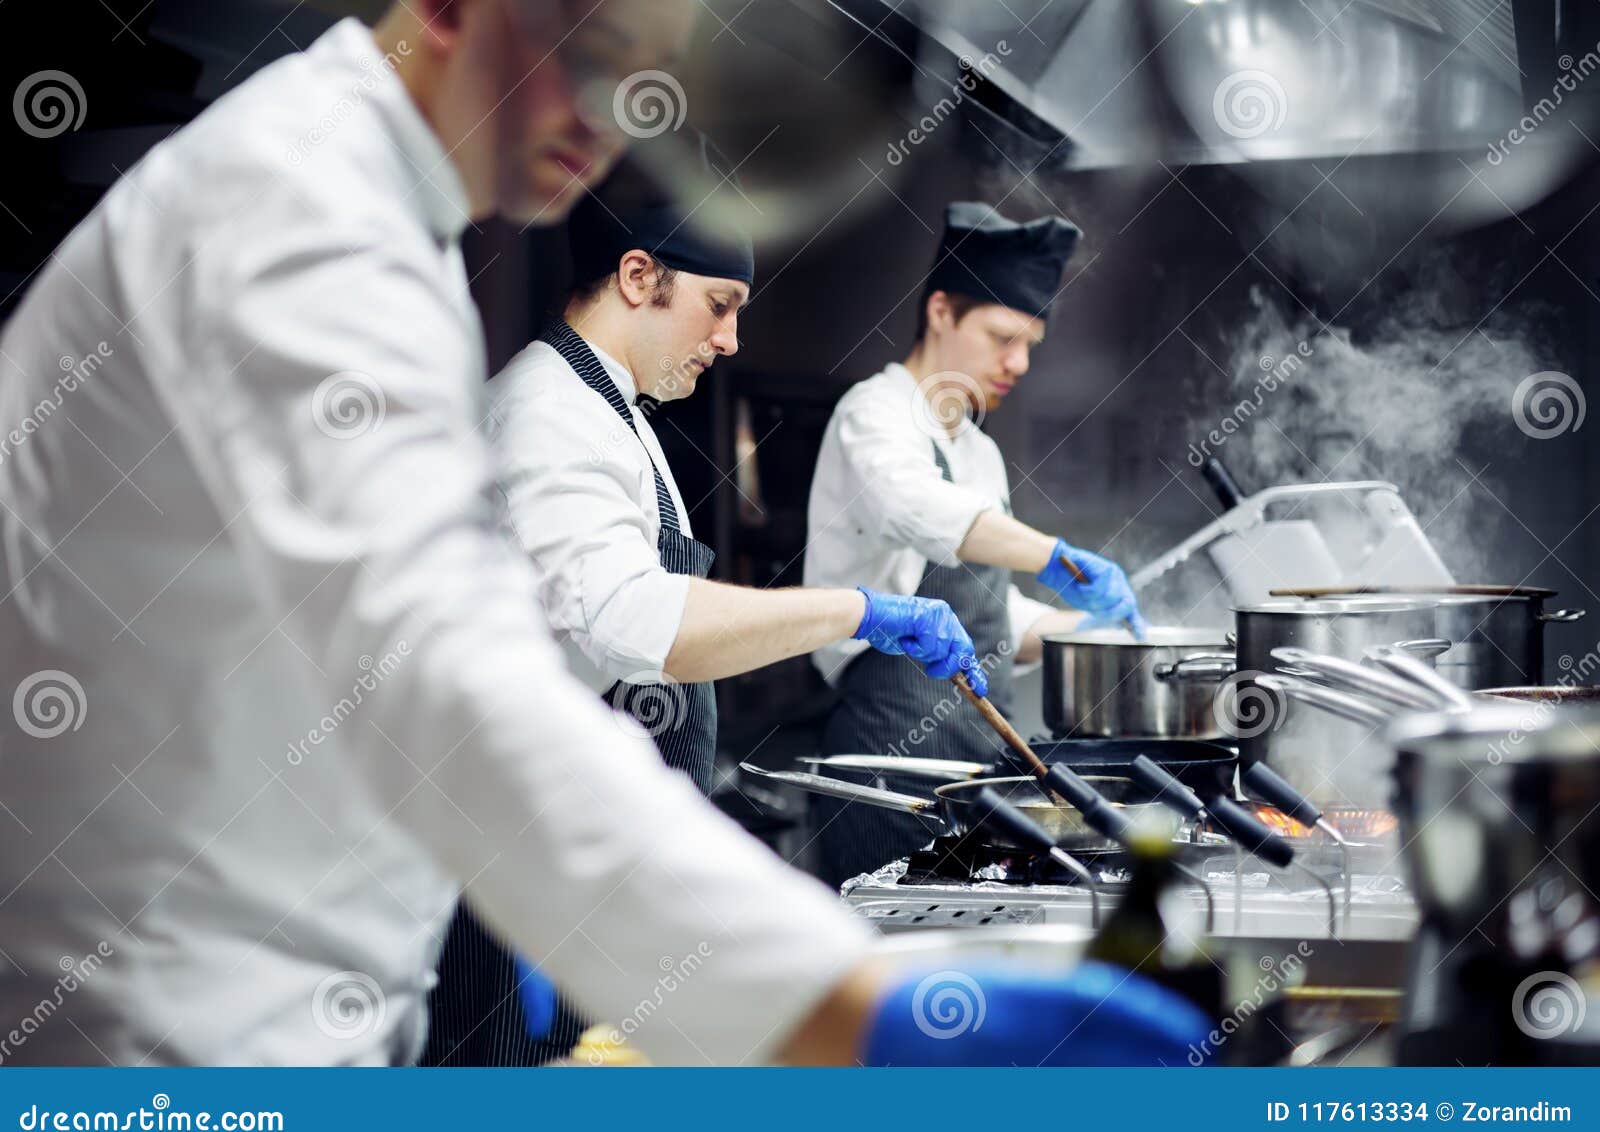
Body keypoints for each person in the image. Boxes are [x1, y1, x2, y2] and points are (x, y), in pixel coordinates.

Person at [0, 0, 1204, 1067]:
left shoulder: (371, 216)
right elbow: (456, 676)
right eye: (592, 45)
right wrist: (844, 1003)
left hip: (297, 995)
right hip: (173, 1044)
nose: (619, 109)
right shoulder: (300, 224)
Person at [427, 137, 987, 1064]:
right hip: (519, 885)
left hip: (585, 874)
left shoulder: (616, 414)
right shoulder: (547, 415)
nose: (731, 339)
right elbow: (644, 621)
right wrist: (853, 609)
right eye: (720, 306)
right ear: (638, 275)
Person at [803, 201, 1149, 885]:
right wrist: (1056, 554)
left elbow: (989, 615)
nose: (1018, 363)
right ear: (941, 312)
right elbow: (915, 506)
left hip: (975, 766)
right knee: (896, 970)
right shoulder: (873, 413)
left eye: (1030, 346)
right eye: (1001, 337)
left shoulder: (982, 454)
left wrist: (1093, 634)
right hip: (888, 762)